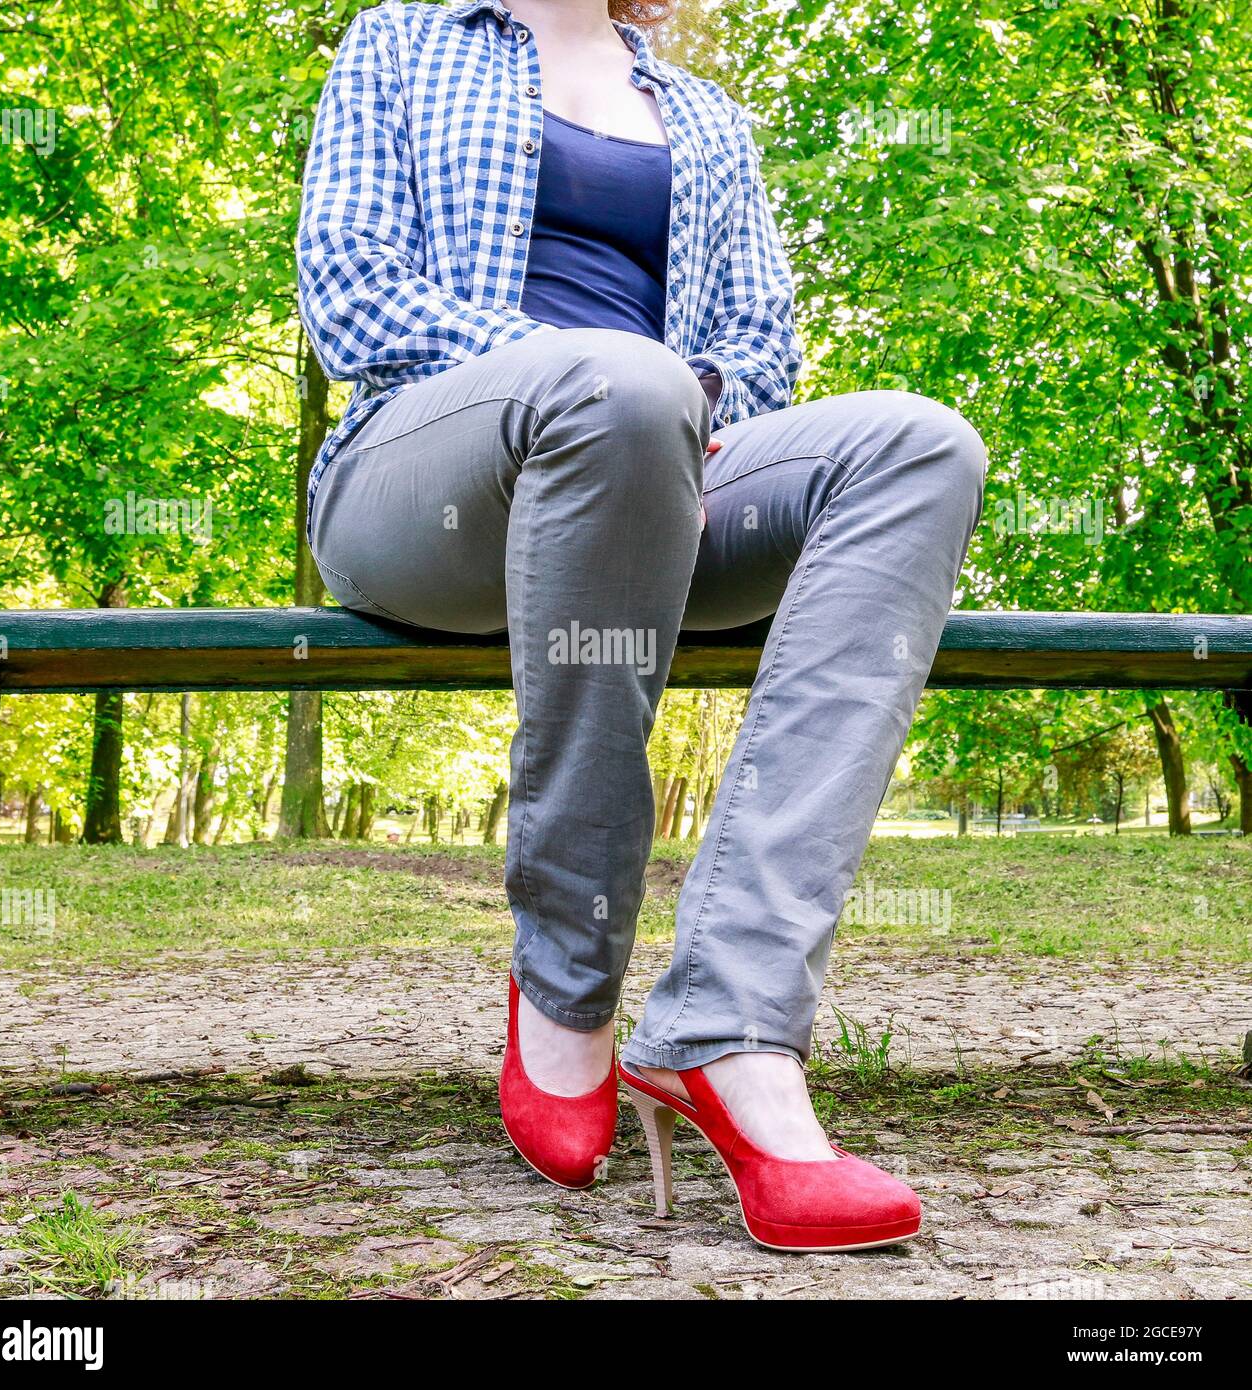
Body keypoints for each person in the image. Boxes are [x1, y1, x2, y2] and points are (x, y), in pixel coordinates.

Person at [298, 0, 986, 1251]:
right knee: (624, 380)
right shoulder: (399, 38)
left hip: (659, 483)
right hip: (425, 487)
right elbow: (352, 299)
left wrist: (679, 407)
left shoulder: (707, 116)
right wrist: (607, 376)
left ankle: (729, 1028)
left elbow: (758, 347)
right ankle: (567, 971)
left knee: (918, 446)